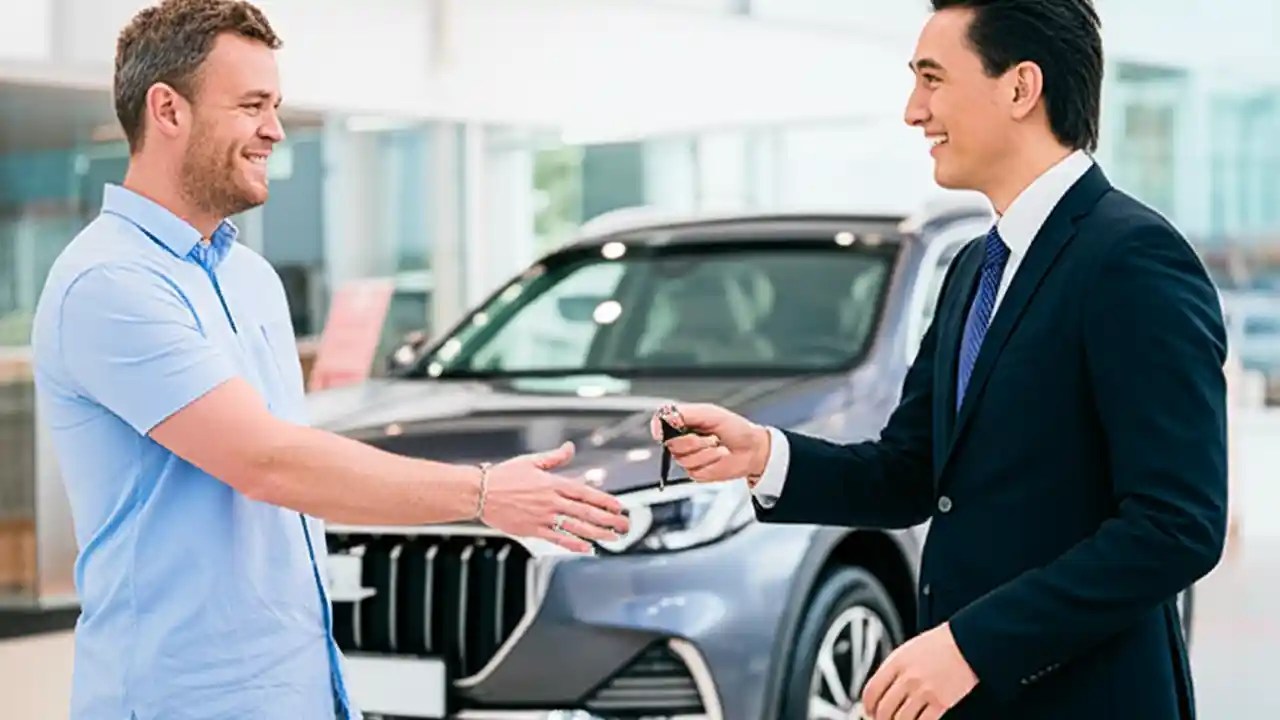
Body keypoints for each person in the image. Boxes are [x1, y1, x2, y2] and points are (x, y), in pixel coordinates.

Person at [29, 1, 628, 719]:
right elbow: (268, 462)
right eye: (252, 105)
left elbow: (295, 470)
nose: (276, 130)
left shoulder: (248, 278)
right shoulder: (110, 283)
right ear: (167, 110)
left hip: (299, 682)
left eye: (275, 105)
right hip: (178, 696)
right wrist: (482, 494)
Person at [655, 1, 1226, 718]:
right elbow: (912, 473)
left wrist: (972, 646)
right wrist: (763, 455)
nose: (912, 111)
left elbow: (1178, 527)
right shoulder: (972, 268)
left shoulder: (1132, 258)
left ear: (1020, 88)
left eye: (932, 79)